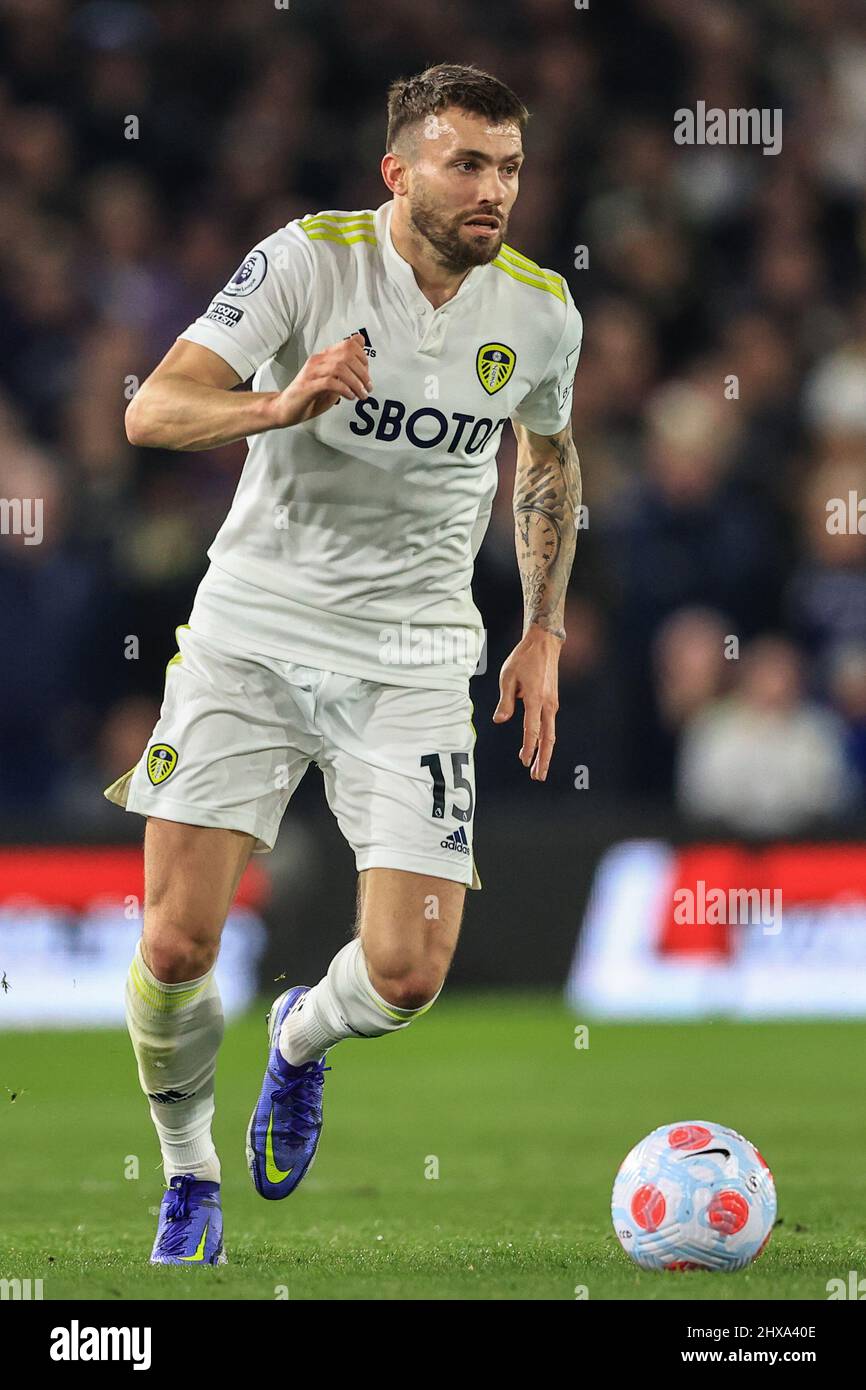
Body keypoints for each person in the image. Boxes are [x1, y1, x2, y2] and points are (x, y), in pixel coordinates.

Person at [104, 62, 583, 1264]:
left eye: (509, 167)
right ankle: (188, 1175)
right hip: (253, 629)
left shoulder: (537, 309)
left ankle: (298, 1040)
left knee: (409, 973)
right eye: (467, 163)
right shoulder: (305, 261)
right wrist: (278, 404)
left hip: (417, 649)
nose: (494, 191)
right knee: (174, 946)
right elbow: (152, 410)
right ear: (399, 171)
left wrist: (541, 626)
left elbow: (547, 459)